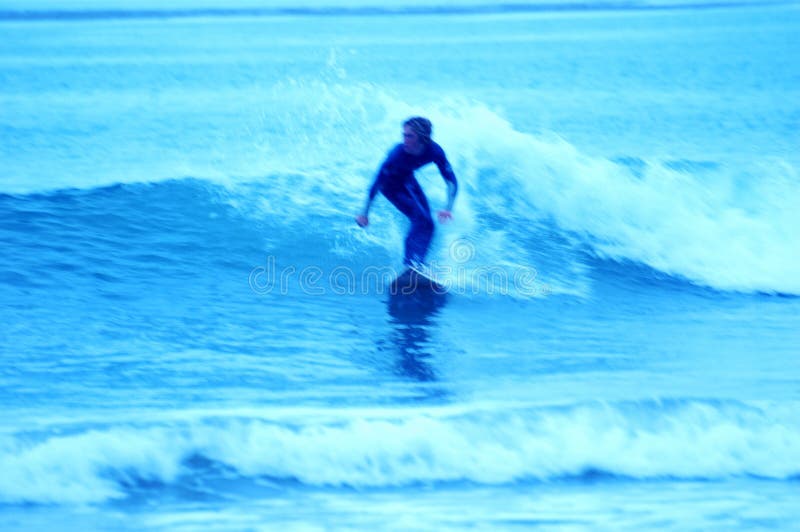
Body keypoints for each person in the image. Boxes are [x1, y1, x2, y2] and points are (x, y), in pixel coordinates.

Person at [355, 117, 458, 269]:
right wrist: (365, 213)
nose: (404, 140)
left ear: (423, 138)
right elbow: (377, 183)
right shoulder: (397, 155)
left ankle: (417, 264)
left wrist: (448, 208)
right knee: (421, 219)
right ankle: (411, 264)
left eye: (409, 136)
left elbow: (451, 181)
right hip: (390, 186)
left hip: (408, 181)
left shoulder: (435, 151)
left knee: (428, 223)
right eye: (404, 135)